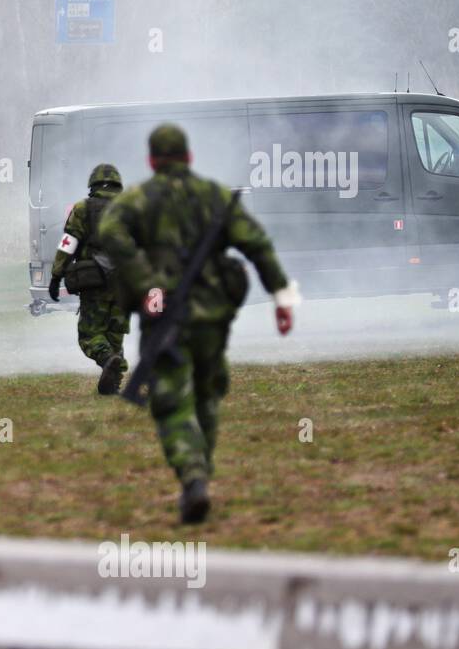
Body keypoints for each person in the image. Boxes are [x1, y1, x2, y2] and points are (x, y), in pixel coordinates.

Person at [98, 124, 299, 523]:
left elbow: (109, 232)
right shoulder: (215, 197)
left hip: (165, 317)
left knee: (172, 400)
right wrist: (282, 297)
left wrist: (145, 282)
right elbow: (256, 243)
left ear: (152, 160)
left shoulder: (138, 199)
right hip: (212, 318)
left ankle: (192, 476)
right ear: (188, 157)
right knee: (206, 397)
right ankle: (201, 473)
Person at [48, 163, 132, 394]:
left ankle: (108, 361)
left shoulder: (83, 209)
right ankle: (112, 382)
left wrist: (56, 276)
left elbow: (69, 243)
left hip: (95, 281)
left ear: (92, 185)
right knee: (115, 334)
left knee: (89, 334)